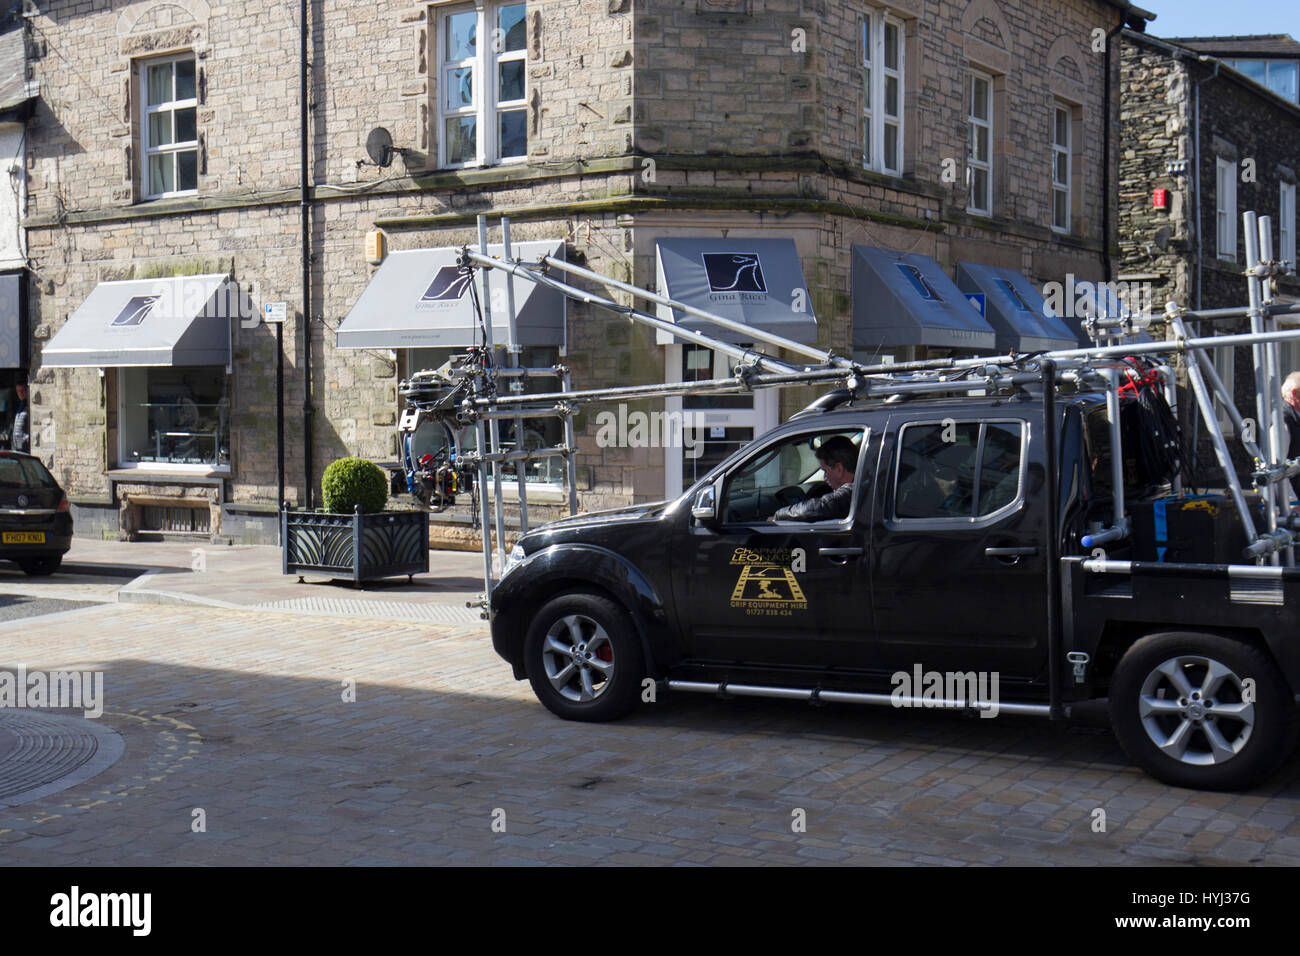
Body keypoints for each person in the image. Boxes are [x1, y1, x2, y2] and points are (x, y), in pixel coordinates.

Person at [771, 435, 858, 521]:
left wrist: (778, 516)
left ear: (839, 469)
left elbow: (819, 507)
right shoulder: (861, 484)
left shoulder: (852, 493)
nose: (824, 478)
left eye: (825, 471)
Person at [1283, 371, 1300, 504]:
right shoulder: (1282, 420)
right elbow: (1277, 466)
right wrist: (1292, 503)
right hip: (1292, 503)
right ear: (1294, 394)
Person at [10, 382, 28, 453]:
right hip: (17, 446)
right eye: (18, 391)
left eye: (22, 390)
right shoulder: (19, 406)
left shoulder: (30, 405)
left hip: (25, 447)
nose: (20, 393)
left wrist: (26, 439)